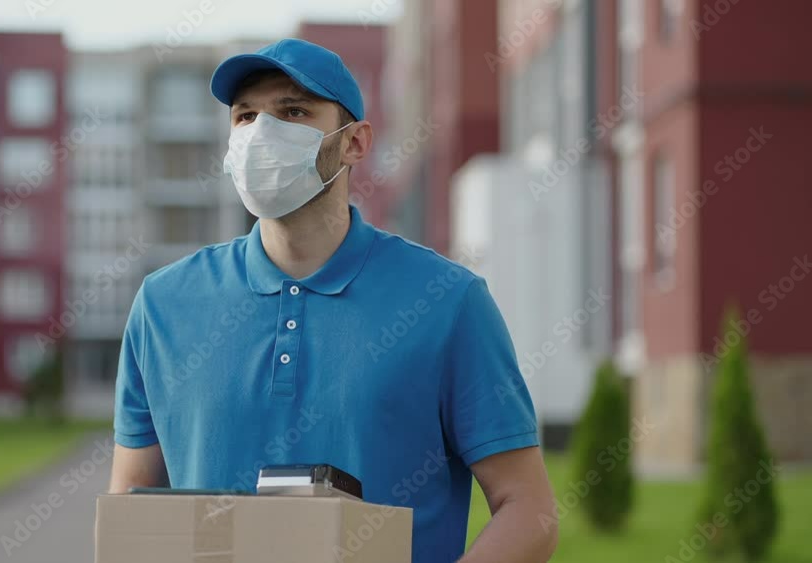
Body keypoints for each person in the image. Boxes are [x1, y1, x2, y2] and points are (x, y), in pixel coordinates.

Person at [109, 38, 558, 563]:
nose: (261, 134)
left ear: (356, 142)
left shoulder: (448, 303)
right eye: (245, 116)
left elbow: (528, 507)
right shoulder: (163, 305)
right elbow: (132, 508)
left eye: (292, 111)